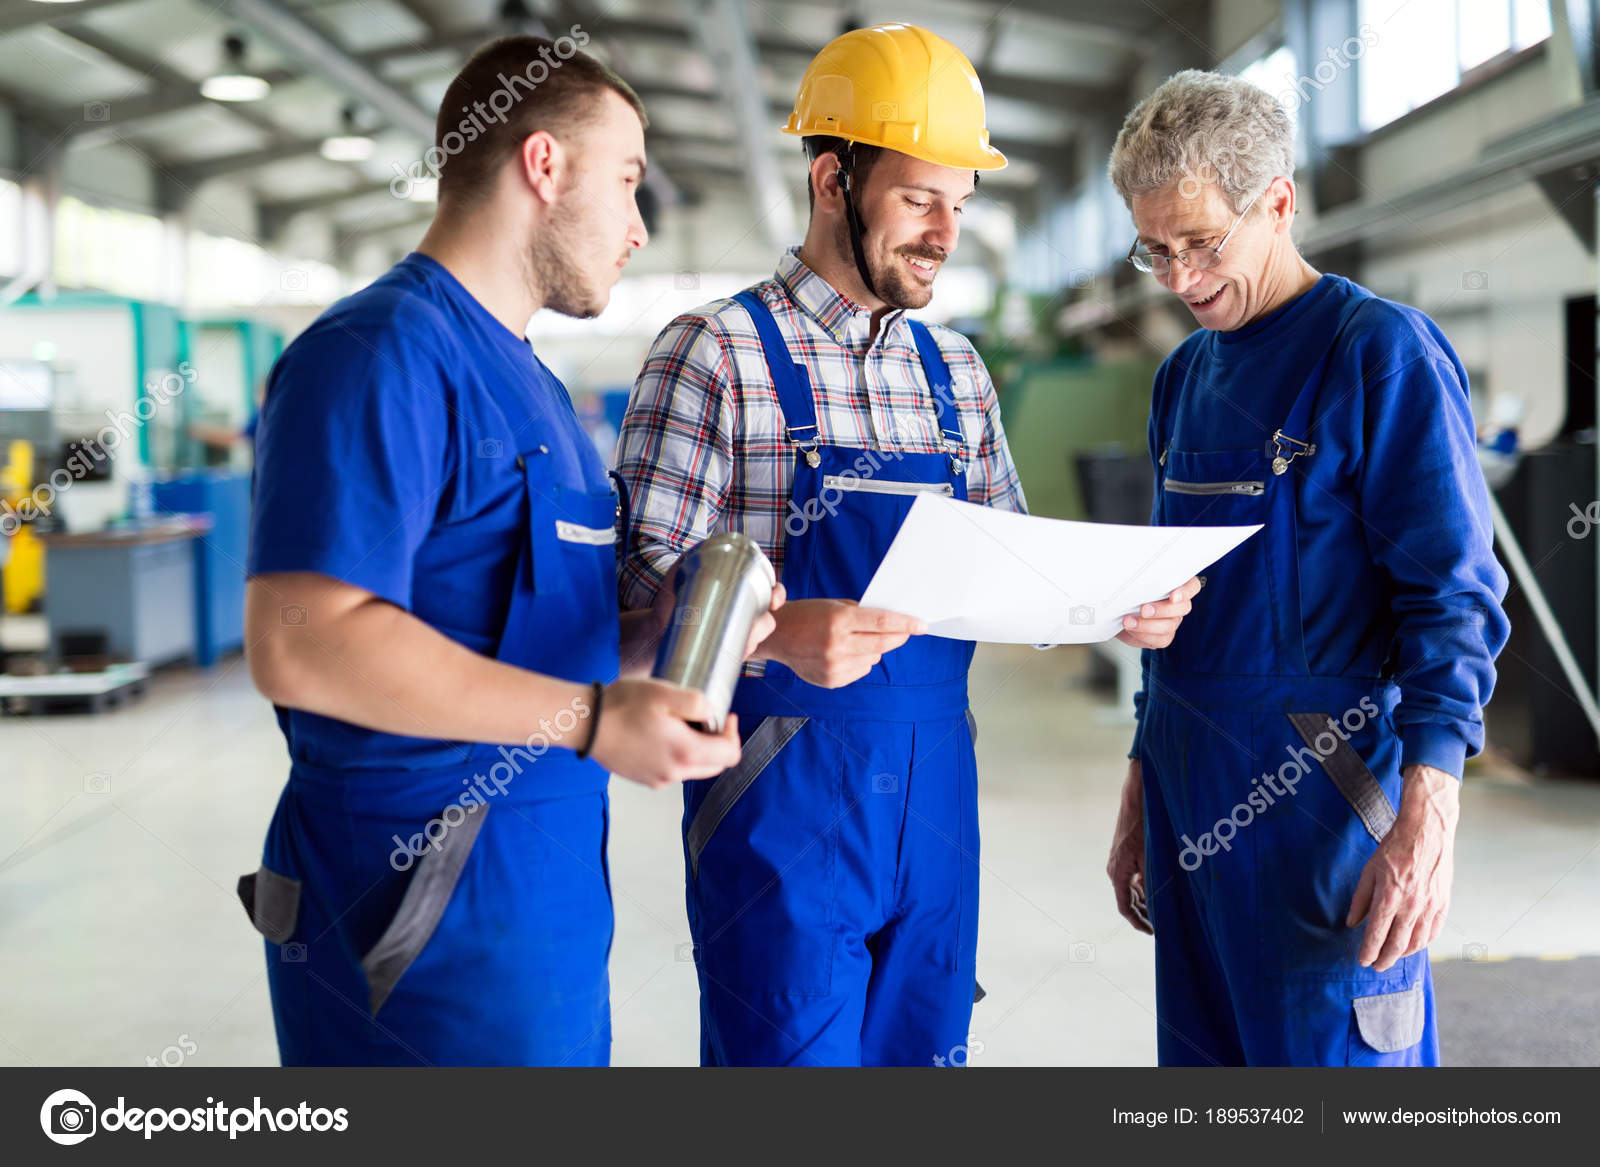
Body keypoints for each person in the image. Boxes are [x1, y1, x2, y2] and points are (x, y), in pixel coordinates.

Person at [615, 23, 1198, 1067]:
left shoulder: (957, 373)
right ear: (833, 179)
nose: (944, 233)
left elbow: (1013, 567)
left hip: (934, 800)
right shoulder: (713, 352)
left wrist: (1117, 606)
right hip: (779, 801)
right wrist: (772, 632)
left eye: (959, 207)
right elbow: (634, 595)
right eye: (921, 200)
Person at [238, 36, 775, 1067]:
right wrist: (588, 720)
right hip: (414, 910)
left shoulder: (533, 386)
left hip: (536, 903)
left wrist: (668, 637)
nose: (635, 227)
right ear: (542, 165)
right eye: (626, 184)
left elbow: (517, 635)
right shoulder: (378, 355)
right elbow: (300, 644)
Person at [1102, 70, 1509, 1066]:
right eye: (1155, 251)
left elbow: (1452, 598)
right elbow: (1174, 609)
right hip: (1189, 796)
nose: (1181, 280)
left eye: (1201, 244)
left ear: (1277, 203)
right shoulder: (1182, 378)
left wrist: (1427, 820)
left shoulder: (1378, 356)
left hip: (1324, 814)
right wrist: (1138, 786)